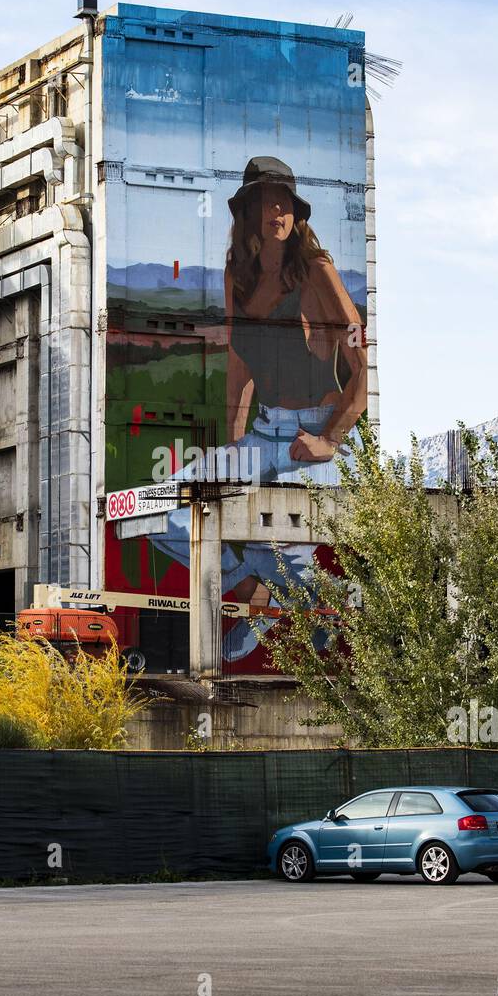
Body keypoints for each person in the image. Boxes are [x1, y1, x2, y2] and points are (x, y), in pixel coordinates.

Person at [149, 155, 367, 661]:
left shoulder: (317, 271)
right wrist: (231, 447)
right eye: (265, 199)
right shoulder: (237, 276)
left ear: (295, 211)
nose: (276, 209)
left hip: (313, 444)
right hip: (262, 438)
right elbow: (239, 366)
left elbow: (361, 366)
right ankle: (265, 600)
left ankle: (305, 601)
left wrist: (330, 440)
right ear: (247, 211)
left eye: (284, 199)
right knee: (156, 509)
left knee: (278, 535)